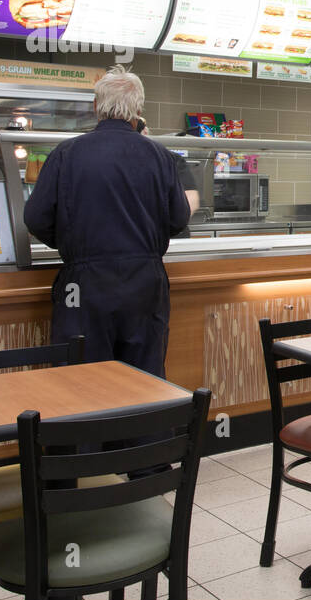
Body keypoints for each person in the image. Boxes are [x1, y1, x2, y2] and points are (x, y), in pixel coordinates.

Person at [24, 66, 191, 378]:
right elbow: (178, 218)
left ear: (96, 107)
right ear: (138, 109)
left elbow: (35, 218)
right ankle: (145, 428)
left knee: (82, 380)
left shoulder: (66, 154)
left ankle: (90, 428)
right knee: (145, 380)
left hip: (84, 284)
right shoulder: (161, 156)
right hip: (145, 284)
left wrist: (70, 243)